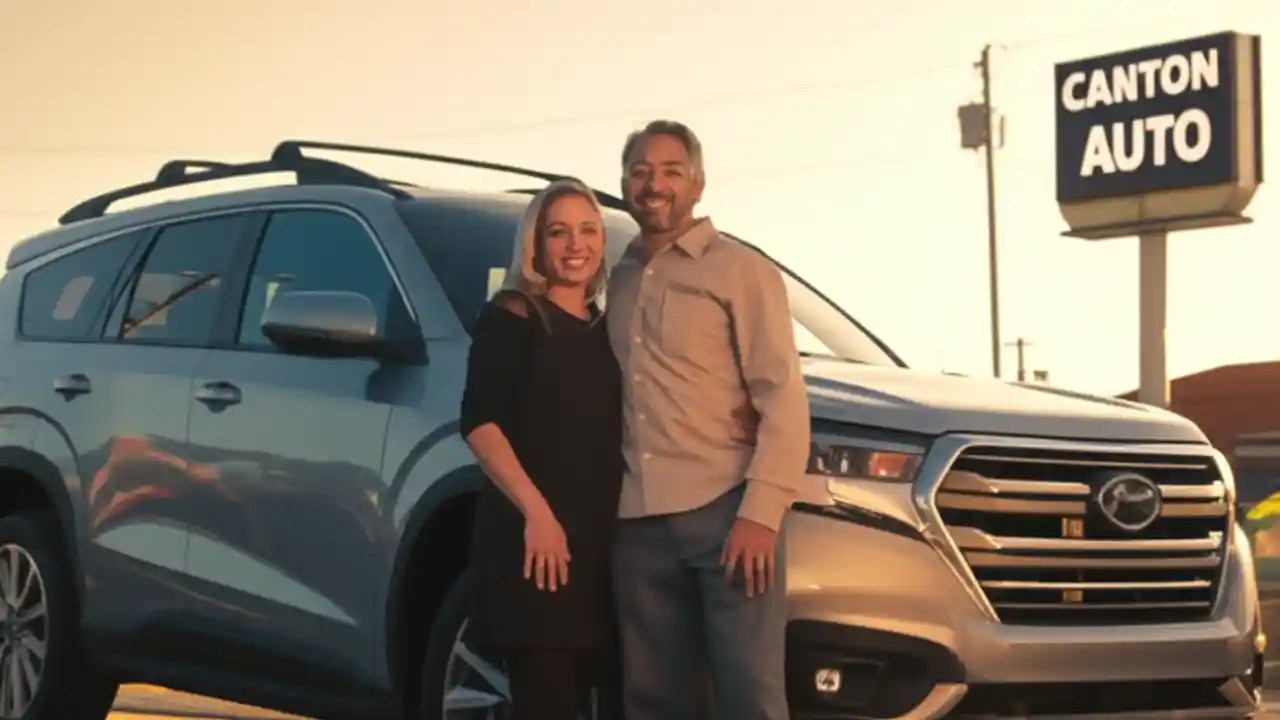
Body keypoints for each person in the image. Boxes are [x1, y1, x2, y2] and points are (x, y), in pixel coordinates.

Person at [606, 119, 812, 720]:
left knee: (749, 697)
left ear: (698, 184)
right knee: (653, 702)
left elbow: (782, 395)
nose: (654, 183)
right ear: (624, 184)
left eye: (671, 170)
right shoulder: (614, 280)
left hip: (726, 517)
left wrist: (761, 514)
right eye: (640, 171)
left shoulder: (741, 271)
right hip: (635, 524)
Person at [459, 178, 624, 719]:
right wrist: (537, 514)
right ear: (536, 244)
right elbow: (481, 423)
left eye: (587, 231)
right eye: (559, 232)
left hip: (600, 548)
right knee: (548, 700)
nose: (575, 245)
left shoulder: (608, 330)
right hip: (536, 544)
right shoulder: (513, 314)